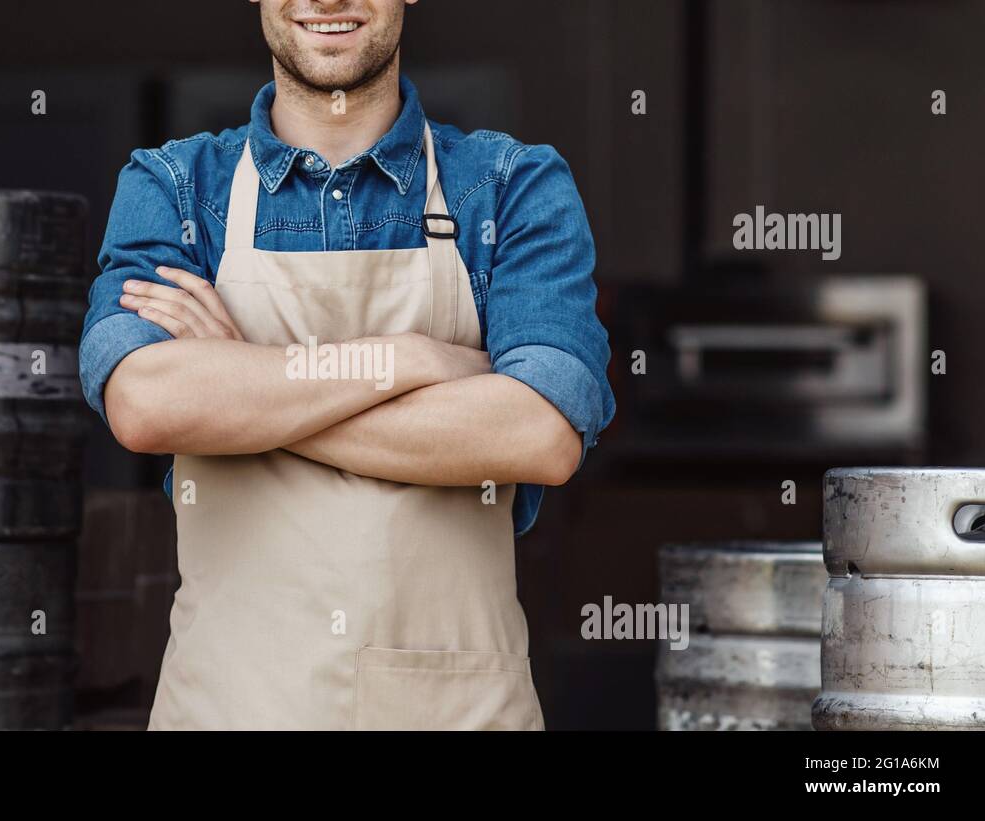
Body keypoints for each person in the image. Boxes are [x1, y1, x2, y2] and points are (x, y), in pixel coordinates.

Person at [79, 0, 615, 730]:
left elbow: (540, 434)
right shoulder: (174, 188)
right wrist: (414, 359)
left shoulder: (510, 187)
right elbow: (145, 406)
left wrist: (240, 381)